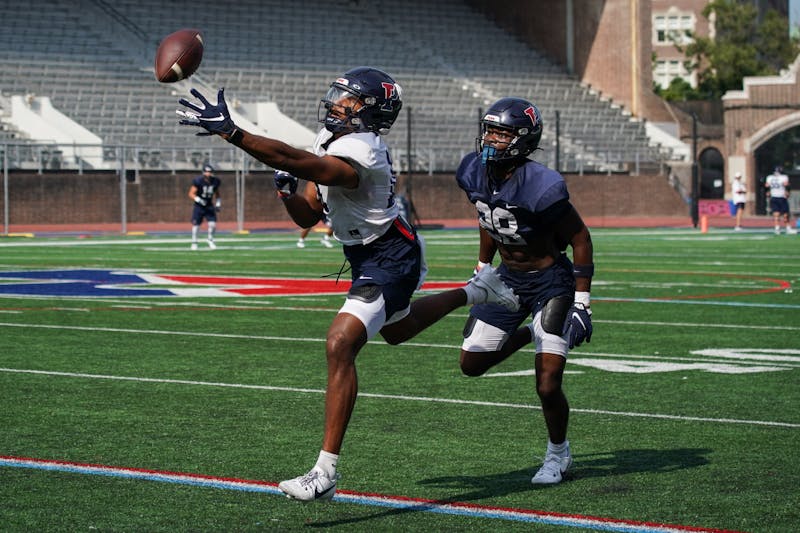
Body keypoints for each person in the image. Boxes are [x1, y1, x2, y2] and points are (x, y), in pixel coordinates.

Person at [177, 66, 520, 502]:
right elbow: (307, 216)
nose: (335, 104)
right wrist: (286, 193)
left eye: (347, 100)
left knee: (341, 342)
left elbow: (294, 160)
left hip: (391, 255)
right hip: (364, 254)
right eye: (337, 96)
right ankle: (477, 291)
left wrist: (233, 132)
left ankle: (324, 471)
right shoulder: (331, 140)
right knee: (396, 331)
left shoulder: (365, 149)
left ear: (370, 112)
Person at [455, 97, 594, 485]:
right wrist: (483, 267)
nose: (492, 139)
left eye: (502, 133)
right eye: (490, 130)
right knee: (471, 364)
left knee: (547, 384)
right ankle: (528, 333)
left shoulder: (541, 185)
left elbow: (580, 238)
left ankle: (558, 454)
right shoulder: (473, 170)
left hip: (551, 282)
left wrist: (582, 301)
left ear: (523, 138)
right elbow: (486, 216)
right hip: (506, 279)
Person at [188, 164, 222, 250]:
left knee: (213, 224)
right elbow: (191, 193)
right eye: (207, 171)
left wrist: (218, 204)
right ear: (203, 172)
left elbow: (217, 194)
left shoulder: (215, 181)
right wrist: (199, 200)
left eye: (210, 172)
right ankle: (194, 242)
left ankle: (210, 239)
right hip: (199, 206)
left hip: (209, 205)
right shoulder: (198, 181)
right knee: (196, 225)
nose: (208, 173)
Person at [764, 166, 796, 234]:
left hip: (774, 197)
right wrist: (788, 192)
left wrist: (767, 192)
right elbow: (786, 185)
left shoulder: (769, 177)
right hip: (781, 197)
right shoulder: (783, 177)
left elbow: (766, 186)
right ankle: (787, 227)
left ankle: (777, 228)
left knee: (776, 214)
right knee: (785, 214)